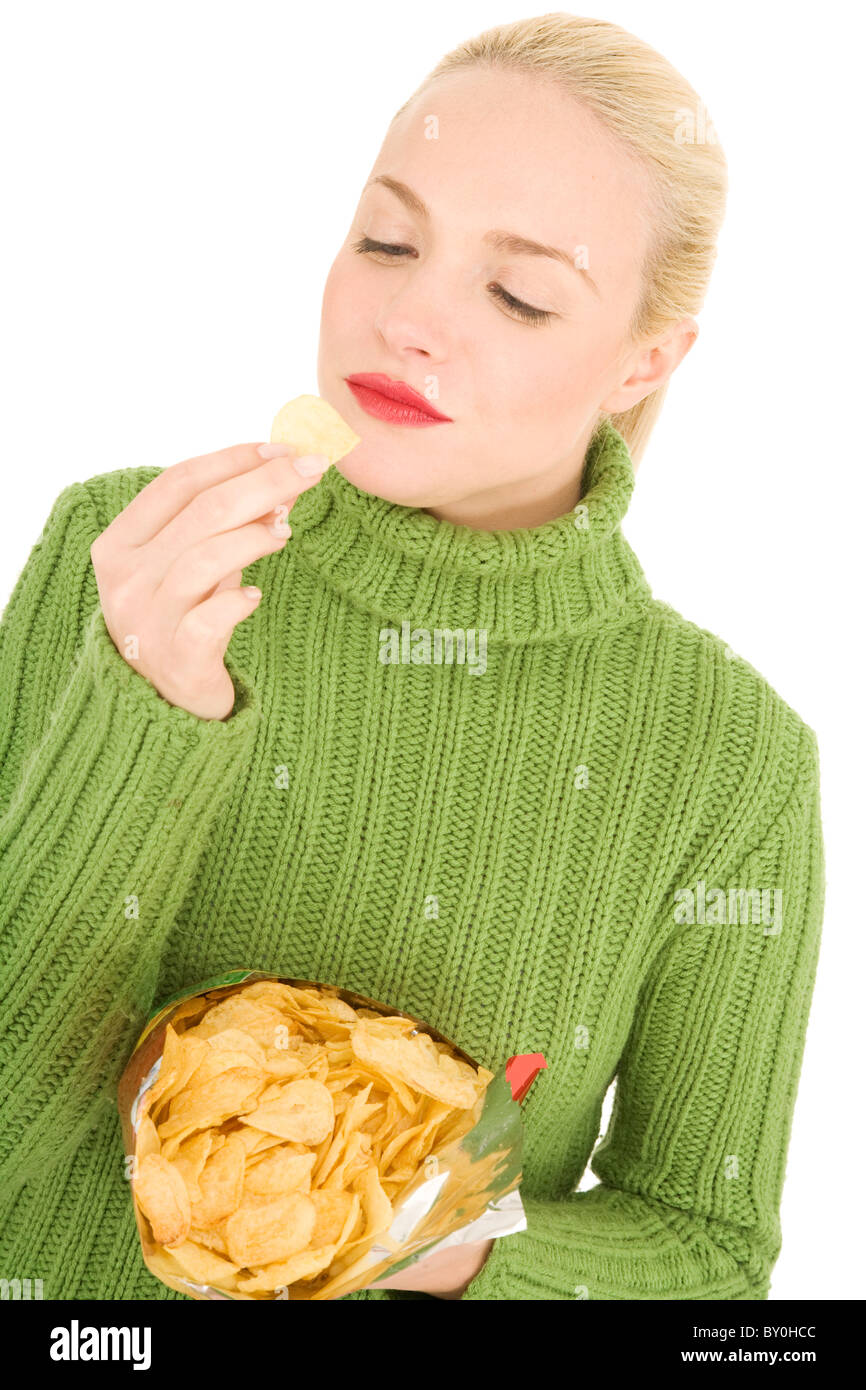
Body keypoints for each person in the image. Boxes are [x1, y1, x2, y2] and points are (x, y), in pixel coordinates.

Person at [0, 13, 824, 1300]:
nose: (407, 318)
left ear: (645, 360)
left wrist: (418, 1226)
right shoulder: (124, 557)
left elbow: (710, 1257)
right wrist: (136, 717)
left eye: (518, 292)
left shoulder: (728, 757)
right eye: (385, 239)